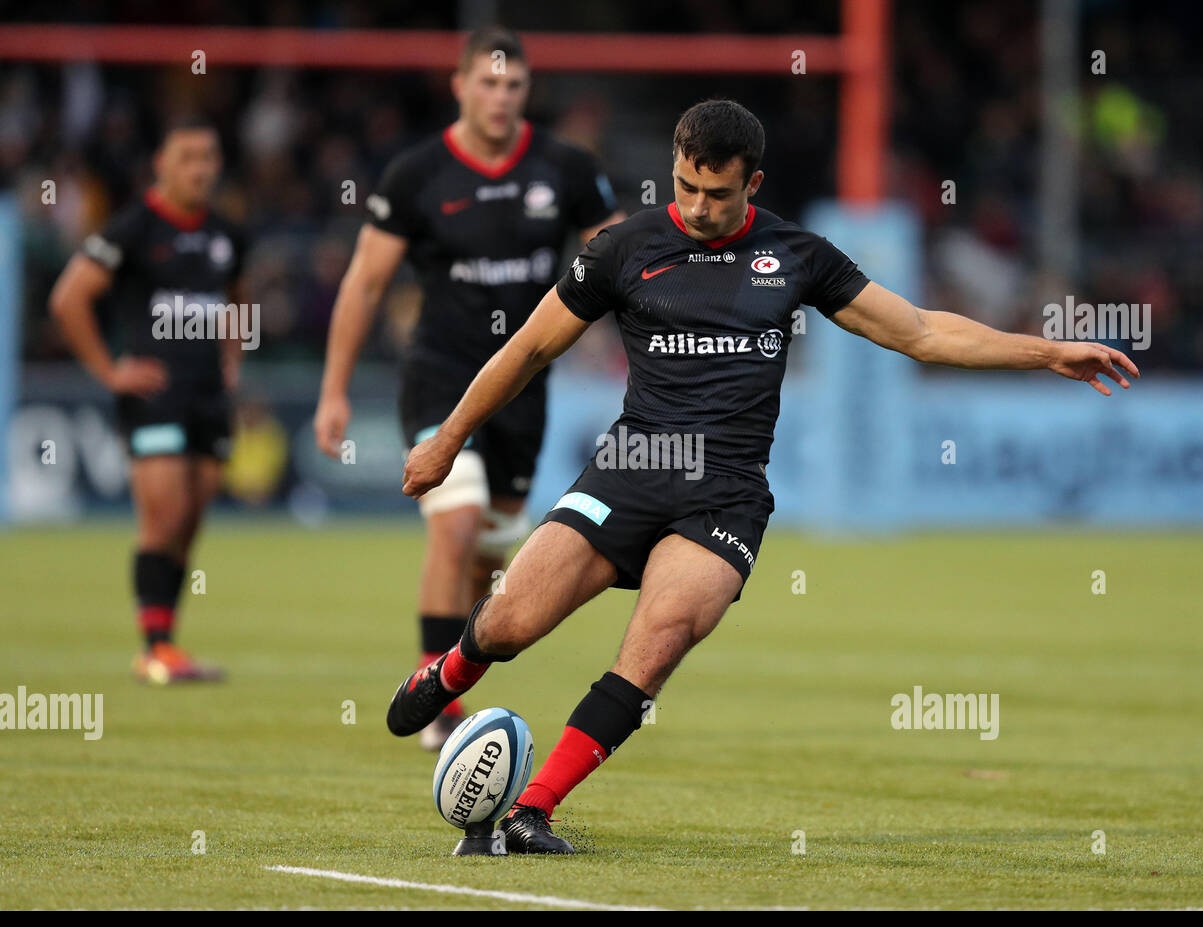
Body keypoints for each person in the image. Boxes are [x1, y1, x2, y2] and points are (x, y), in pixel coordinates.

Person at [389, 99, 1140, 853]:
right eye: (685, 187)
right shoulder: (622, 249)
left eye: (718, 193)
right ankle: (450, 670)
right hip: (630, 469)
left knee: (659, 641)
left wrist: (1046, 353)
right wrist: (448, 438)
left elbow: (920, 331)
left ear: (754, 183)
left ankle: (532, 812)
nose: (698, 206)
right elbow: (526, 349)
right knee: (513, 623)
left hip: (727, 493)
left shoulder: (799, 255)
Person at [313, 26, 622, 750]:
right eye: (487, 83)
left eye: (513, 85)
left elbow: (620, 257)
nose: (500, 97)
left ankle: (454, 668)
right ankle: (434, 697)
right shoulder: (417, 174)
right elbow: (362, 284)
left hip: (524, 381)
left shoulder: (566, 167)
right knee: (455, 523)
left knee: (492, 549)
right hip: (441, 375)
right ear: (459, 86)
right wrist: (333, 391)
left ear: (527, 91)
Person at [49, 116, 245, 684]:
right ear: (161, 164)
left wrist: (232, 355)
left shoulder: (227, 233)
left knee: (190, 518)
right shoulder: (133, 228)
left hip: (207, 396)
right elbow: (69, 299)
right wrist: (110, 371)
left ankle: (166, 642)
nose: (200, 168)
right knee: (163, 514)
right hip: (154, 395)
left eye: (208, 157)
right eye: (188, 157)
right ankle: (154, 647)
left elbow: (236, 296)